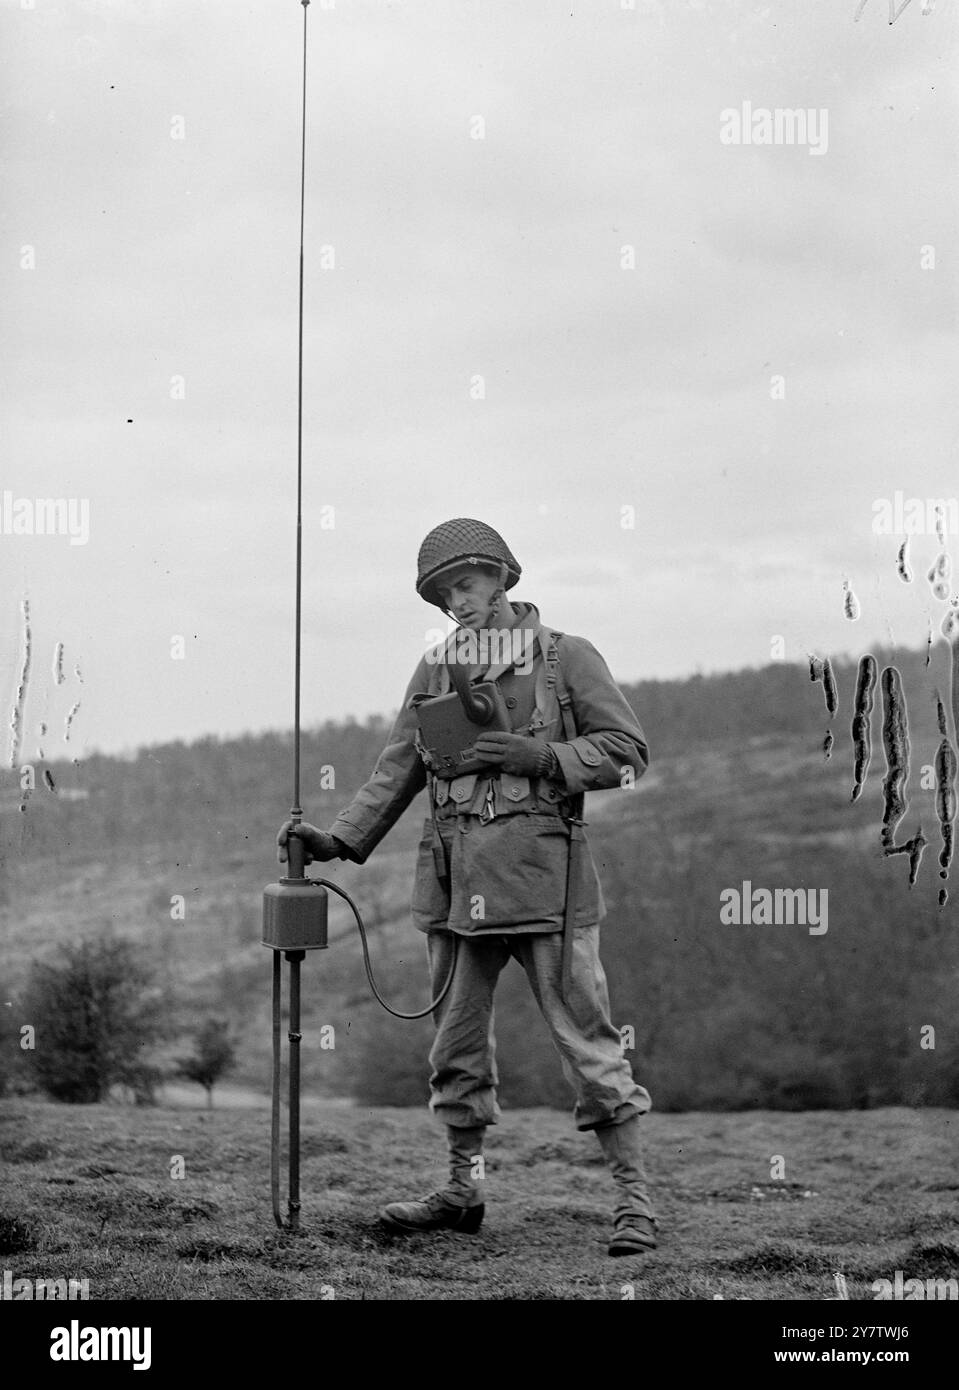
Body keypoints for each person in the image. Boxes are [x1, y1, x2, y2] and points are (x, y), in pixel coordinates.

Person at [277, 518, 657, 1256]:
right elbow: (398, 766)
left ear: (502, 577)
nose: (458, 601)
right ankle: (463, 1189)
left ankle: (632, 1202)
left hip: (550, 885)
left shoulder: (566, 658)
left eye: (468, 583)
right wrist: (342, 839)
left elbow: (628, 753)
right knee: (455, 1052)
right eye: (444, 592)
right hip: (454, 889)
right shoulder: (433, 670)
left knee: (589, 1048)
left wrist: (541, 755)